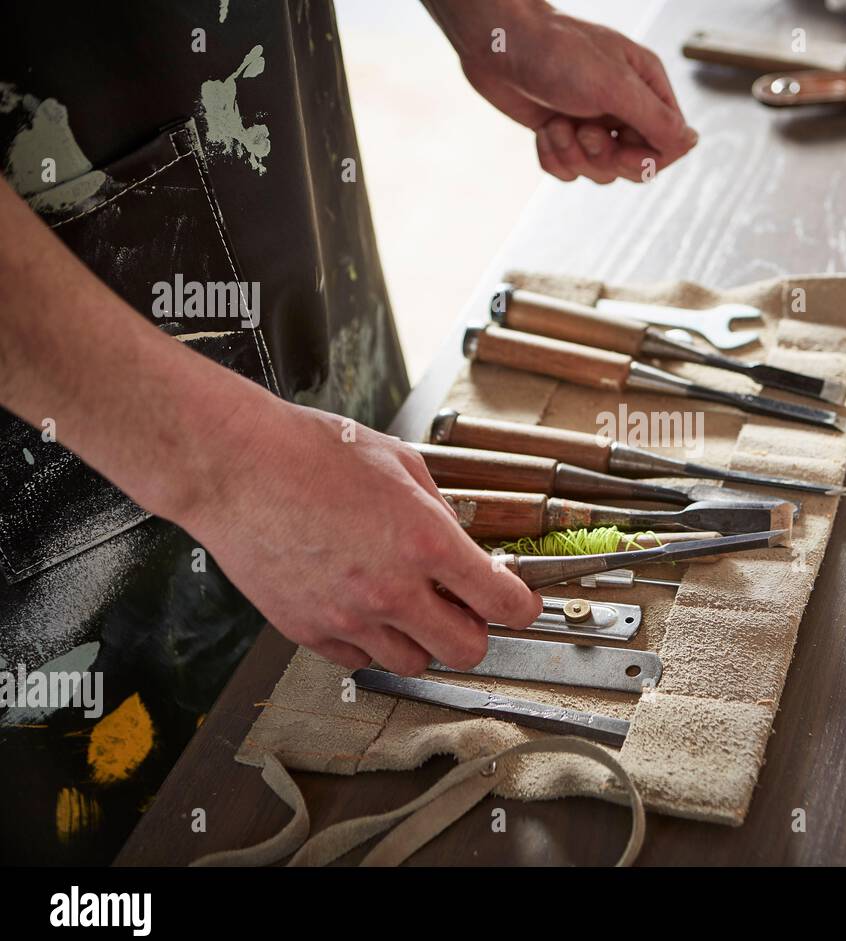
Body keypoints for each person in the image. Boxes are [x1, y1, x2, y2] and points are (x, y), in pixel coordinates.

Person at [0, 0, 696, 863]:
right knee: (130, 817)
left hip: (263, 149)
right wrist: (233, 466)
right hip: (46, 439)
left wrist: (501, 21)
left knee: (353, 698)